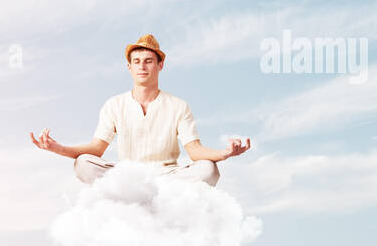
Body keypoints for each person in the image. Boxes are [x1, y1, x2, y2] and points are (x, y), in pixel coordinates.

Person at [30, 33, 250, 186]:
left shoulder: (178, 106)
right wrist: (57, 148)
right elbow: (96, 149)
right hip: (127, 178)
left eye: (148, 61)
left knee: (208, 170)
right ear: (129, 67)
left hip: (168, 178)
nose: (142, 66)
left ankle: (158, 198)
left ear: (160, 65)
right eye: (136, 61)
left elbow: (194, 152)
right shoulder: (114, 105)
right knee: (83, 164)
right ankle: (130, 196)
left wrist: (225, 153)